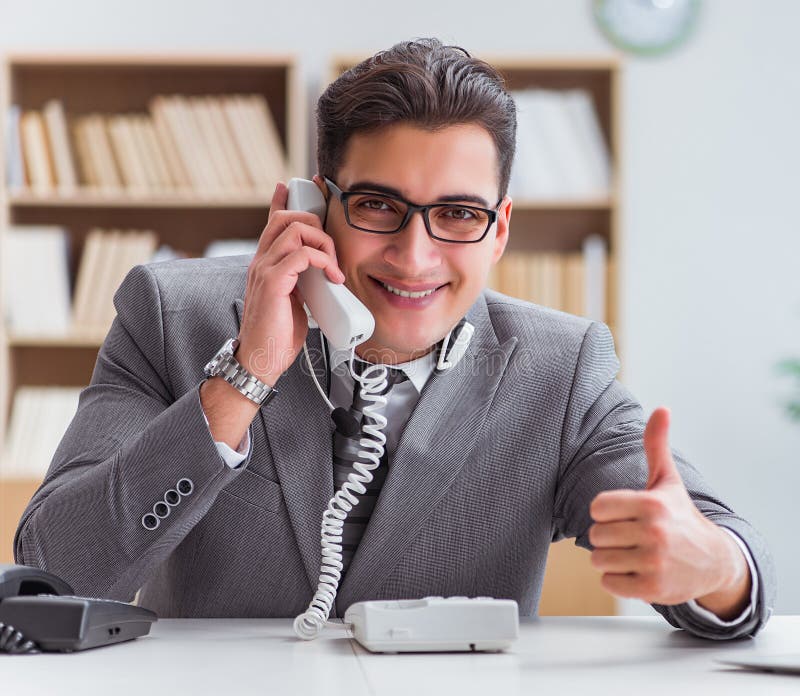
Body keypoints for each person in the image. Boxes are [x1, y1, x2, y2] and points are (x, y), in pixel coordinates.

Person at [15, 38, 774, 639]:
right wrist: (246, 375)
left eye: (458, 214)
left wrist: (710, 565)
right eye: (379, 205)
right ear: (313, 207)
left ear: (499, 228)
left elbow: (728, 554)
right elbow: (57, 573)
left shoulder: (560, 368)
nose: (415, 257)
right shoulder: (171, 316)